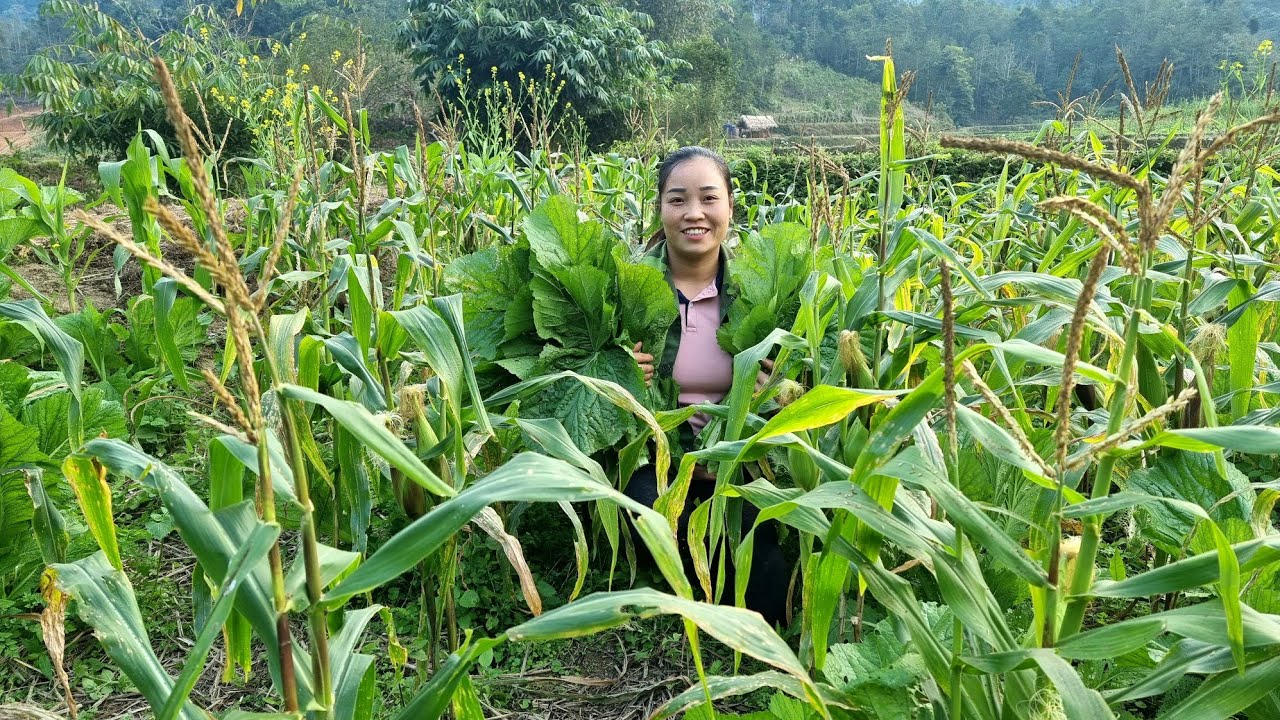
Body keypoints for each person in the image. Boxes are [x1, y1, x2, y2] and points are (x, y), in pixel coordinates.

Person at [625, 146, 790, 626]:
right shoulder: (628, 285)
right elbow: (581, 373)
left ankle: (717, 589)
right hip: (657, 461)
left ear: (730, 207)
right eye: (677, 200)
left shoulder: (762, 290)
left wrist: (778, 389)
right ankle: (696, 590)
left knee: (766, 586)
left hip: (738, 459)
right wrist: (619, 373)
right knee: (650, 517)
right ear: (660, 209)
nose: (693, 213)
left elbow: (809, 374)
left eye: (708, 198)